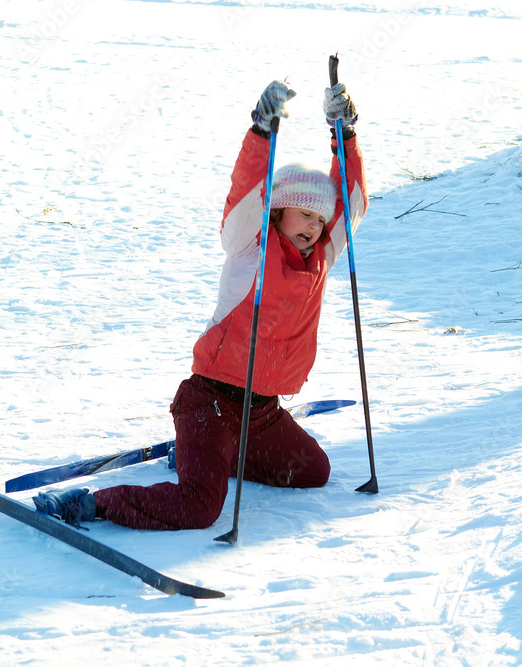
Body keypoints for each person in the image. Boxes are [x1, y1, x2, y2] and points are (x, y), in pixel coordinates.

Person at [34, 76, 368, 530]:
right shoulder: (249, 246)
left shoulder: (320, 261)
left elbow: (349, 204)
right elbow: (247, 194)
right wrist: (262, 131)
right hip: (210, 401)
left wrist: (344, 135)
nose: (313, 225)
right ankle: (93, 503)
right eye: (303, 213)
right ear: (278, 211)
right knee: (199, 506)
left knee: (313, 472)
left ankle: (213, 456)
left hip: (261, 411)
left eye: (318, 218)